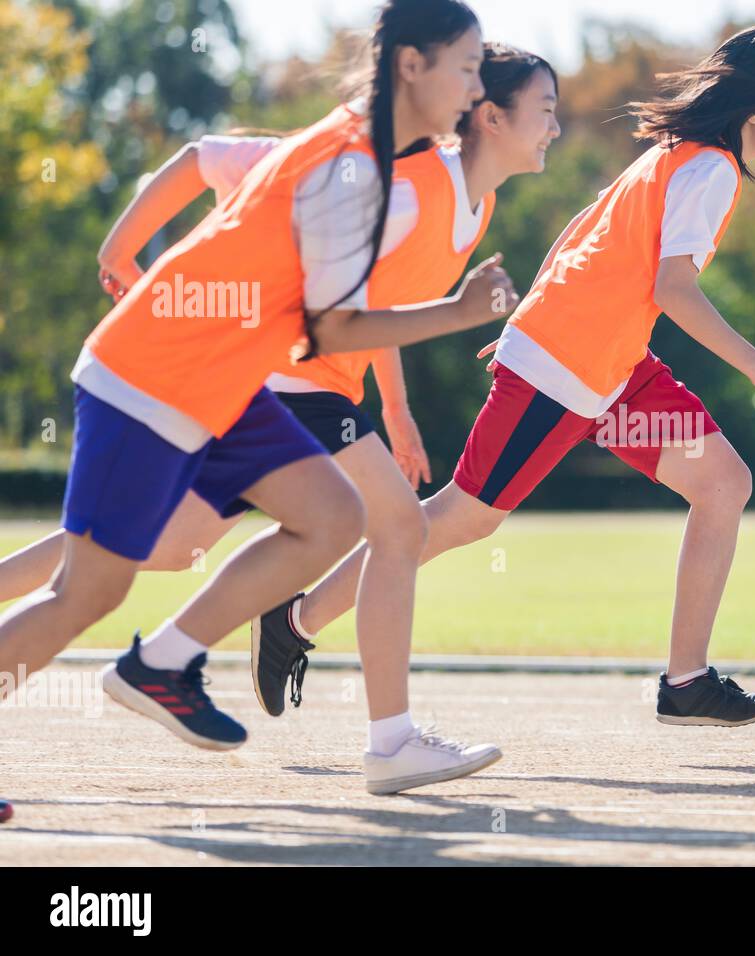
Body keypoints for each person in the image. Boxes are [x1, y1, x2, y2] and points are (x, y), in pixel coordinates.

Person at [0, 38, 557, 794]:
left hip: (234, 380)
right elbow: (331, 315)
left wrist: (395, 404)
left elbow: (366, 300)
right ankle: (379, 738)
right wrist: (118, 254)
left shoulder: (428, 183)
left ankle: (168, 661)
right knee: (390, 525)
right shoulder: (376, 175)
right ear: (416, 72)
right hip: (218, 373)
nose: (471, 90)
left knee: (165, 547)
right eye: (464, 70)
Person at [255, 25, 755, 728]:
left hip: (612, 372)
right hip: (564, 366)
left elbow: (583, 228)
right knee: (462, 518)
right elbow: (674, 289)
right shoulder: (708, 169)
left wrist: (524, 316)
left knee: (723, 483)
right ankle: (295, 620)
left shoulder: (679, 157)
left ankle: (686, 682)